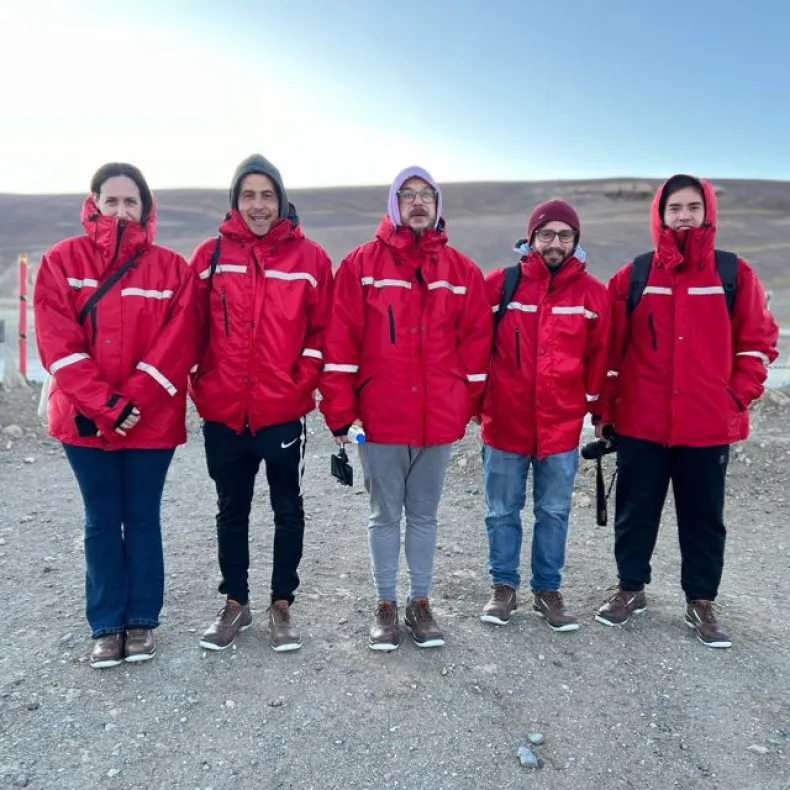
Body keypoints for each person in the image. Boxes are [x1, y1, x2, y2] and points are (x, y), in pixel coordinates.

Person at [595, 174, 779, 647]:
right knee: (636, 512)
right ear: (660, 214)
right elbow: (608, 349)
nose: (684, 215)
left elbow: (758, 344)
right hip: (642, 423)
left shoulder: (733, 274)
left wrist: (735, 396)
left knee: (703, 516)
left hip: (706, 424)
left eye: (693, 207)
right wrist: (606, 409)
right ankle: (630, 589)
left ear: (707, 212)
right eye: (674, 208)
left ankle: (701, 602)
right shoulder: (635, 275)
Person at [320, 166, 492, 651]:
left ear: (438, 207)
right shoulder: (361, 265)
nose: (418, 203)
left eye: (427, 196)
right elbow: (340, 342)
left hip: (438, 418)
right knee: (383, 515)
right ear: (394, 204)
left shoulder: (461, 272)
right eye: (408, 195)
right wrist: (340, 412)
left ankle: (419, 602)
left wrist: (465, 406)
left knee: (424, 516)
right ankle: (385, 604)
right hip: (380, 419)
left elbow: (476, 348)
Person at [33, 162, 198, 668]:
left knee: (142, 518)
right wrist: (107, 407)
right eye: (113, 201)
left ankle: (143, 621)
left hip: (149, 422)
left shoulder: (172, 269)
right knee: (102, 520)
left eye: (132, 202)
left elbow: (180, 342)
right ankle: (106, 625)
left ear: (146, 208)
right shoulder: (61, 261)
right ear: (94, 203)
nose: (122, 210)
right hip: (84, 421)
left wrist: (133, 403)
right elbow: (58, 344)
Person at [191, 154, 333, 653]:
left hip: (282, 411)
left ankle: (281, 604)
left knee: (287, 507)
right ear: (235, 201)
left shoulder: (311, 259)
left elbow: (321, 333)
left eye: (267, 195)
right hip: (224, 412)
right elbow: (192, 331)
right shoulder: (209, 256)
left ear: (282, 200)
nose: (258, 205)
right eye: (248, 195)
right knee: (231, 509)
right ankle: (235, 602)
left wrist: (302, 382)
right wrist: (201, 381)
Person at [478, 200, 610, 631]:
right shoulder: (501, 285)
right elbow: (474, 347)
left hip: (560, 427)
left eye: (565, 236)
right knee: (501, 510)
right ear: (531, 238)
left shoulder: (592, 295)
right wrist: (475, 405)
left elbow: (598, 359)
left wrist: (595, 411)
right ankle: (503, 587)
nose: (556, 243)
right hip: (506, 422)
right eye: (547, 235)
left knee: (553, 511)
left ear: (576, 241)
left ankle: (547, 590)